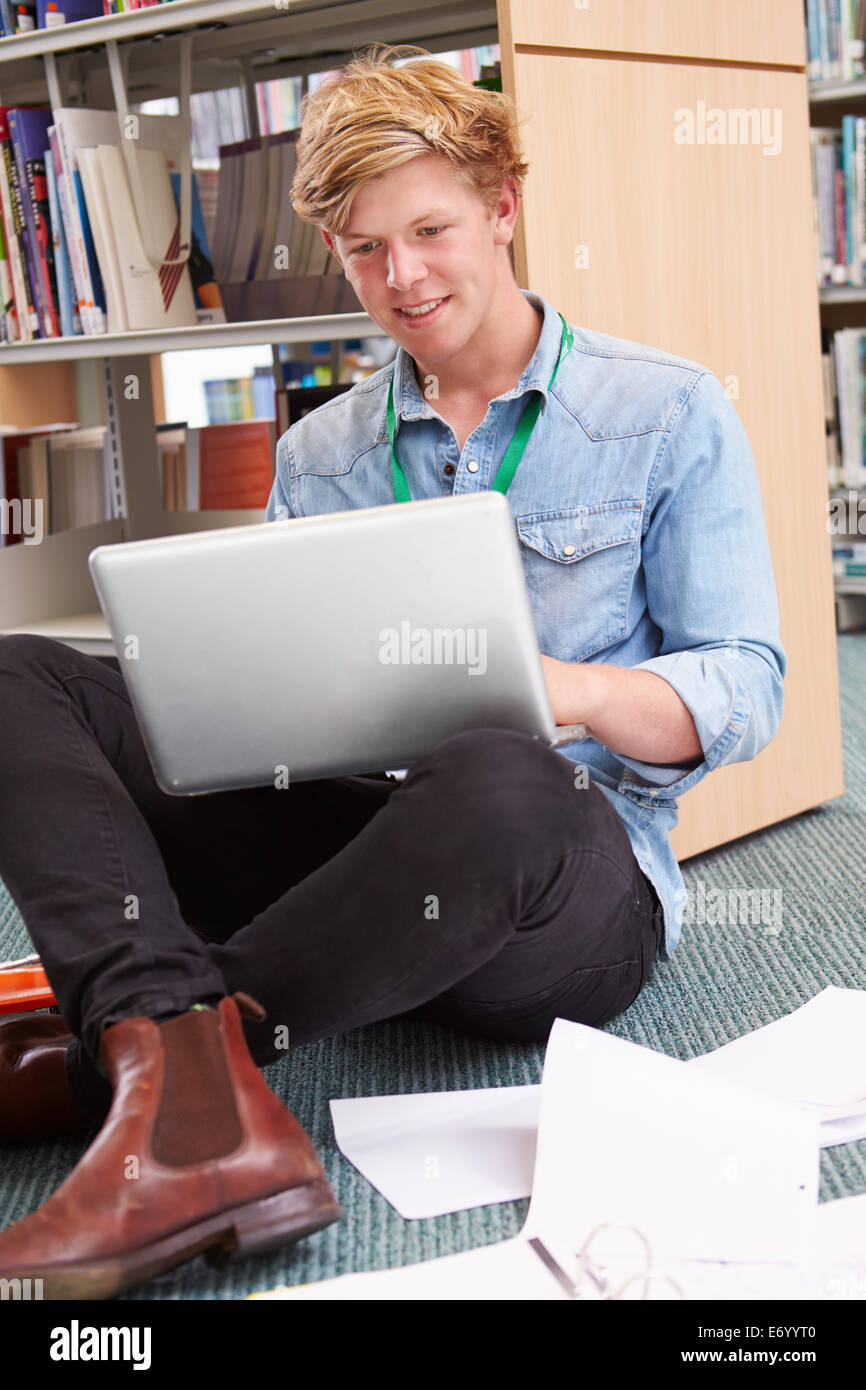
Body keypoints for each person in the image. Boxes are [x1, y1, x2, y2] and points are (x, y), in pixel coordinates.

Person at [0, 44, 785, 1299]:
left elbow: (749, 687)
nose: (402, 277)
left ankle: (144, 1065)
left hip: (559, 881)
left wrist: (565, 688)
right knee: (20, 675)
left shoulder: (668, 410)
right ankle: (184, 1076)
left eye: (429, 230)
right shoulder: (319, 453)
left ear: (502, 209)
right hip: (354, 847)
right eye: (366, 249)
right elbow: (258, 693)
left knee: (504, 775)